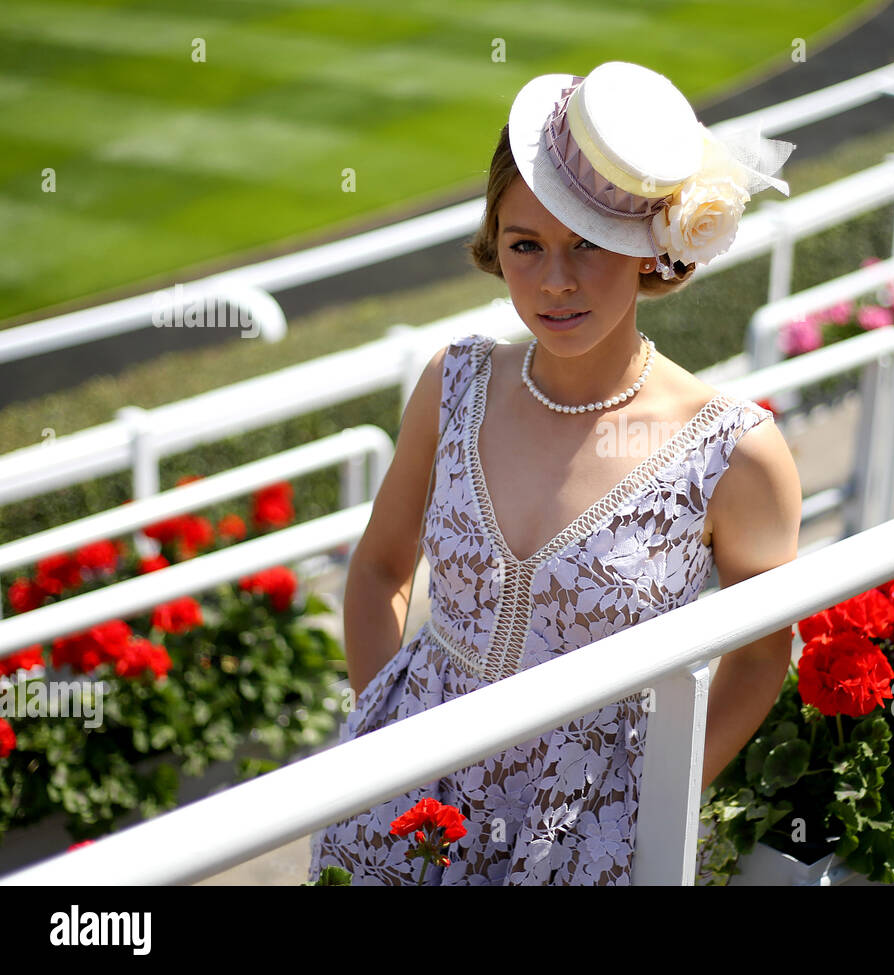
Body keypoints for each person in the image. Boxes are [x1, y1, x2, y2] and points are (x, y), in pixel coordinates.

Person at [308, 61, 803, 885]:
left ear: (651, 247)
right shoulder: (453, 382)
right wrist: (382, 749)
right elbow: (380, 568)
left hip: (582, 837)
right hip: (399, 807)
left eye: (591, 246)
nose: (555, 282)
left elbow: (759, 659)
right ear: (493, 244)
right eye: (525, 245)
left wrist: (648, 808)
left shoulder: (735, 450)